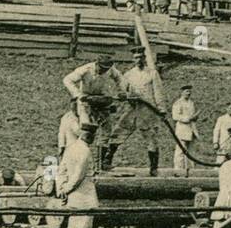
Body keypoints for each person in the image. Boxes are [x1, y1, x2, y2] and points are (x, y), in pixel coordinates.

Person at [63, 56, 125, 170]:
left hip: (102, 100)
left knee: (106, 131)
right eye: (101, 68)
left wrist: (121, 91)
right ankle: (79, 162)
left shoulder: (111, 70)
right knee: (86, 131)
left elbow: (120, 78)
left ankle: (100, 164)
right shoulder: (85, 69)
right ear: (96, 64)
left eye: (106, 69)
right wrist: (78, 94)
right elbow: (67, 80)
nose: (103, 71)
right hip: (86, 100)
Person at [116, 47, 167, 175]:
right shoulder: (128, 75)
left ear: (144, 58)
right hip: (132, 109)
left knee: (151, 138)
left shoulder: (152, 73)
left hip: (148, 110)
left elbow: (158, 92)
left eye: (140, 57)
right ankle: (107, 161)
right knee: (119, 132)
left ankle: (153, 168)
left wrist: (161, 109)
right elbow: (122, 91)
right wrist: (125, 96)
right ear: (133, 59)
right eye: (136, 58)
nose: (138, 60)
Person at [56, 121, 99, 228]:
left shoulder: (70, 149)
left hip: (72, 197)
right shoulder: (85, 151)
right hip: (84, 196)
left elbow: (61, 171)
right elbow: (79, 176)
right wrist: (67, 189)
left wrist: (61, 189)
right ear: (89, 136)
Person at [170, 85, 199, 175]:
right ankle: (178, 171)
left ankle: (191, 171)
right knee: (180, 151)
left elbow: (192, 115)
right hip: (182, 129)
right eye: (187, 91)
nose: (188, 93)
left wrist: (195, 118)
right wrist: (187, 118)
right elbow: (175, 116)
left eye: (189, 91)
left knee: (191, 152)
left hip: (191, 129)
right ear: (182, 92)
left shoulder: (191, 103)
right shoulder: (178, 103)